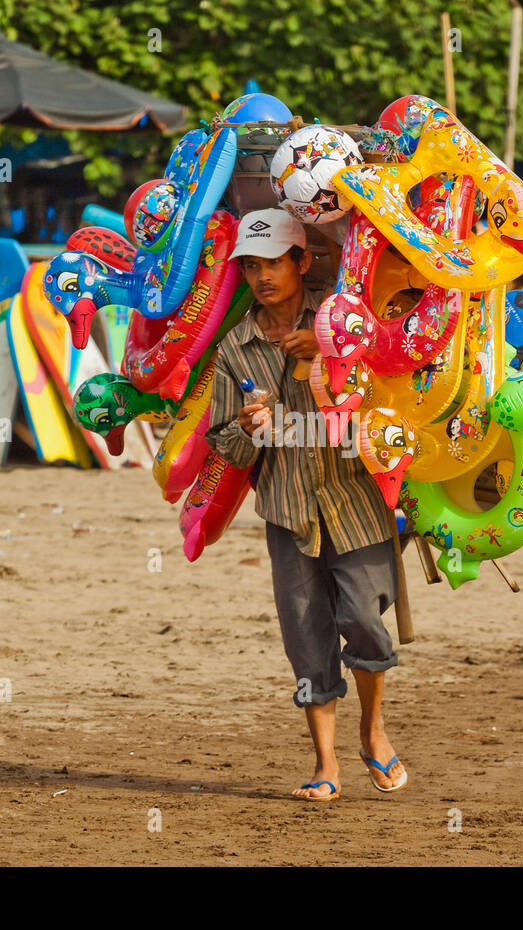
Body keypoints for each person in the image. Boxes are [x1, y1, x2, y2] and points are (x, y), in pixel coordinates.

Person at [205, 209, 407, 802]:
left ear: (303, 262)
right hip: (289, 514)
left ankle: (372, 732)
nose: (263, 276)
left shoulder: (346, 320)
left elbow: (389, 388)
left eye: (274, 262)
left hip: (358, 503)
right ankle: (325, 763)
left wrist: (327, 357)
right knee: (306, 640)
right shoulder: (235, 351)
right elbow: (224, 443)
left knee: (366, 625)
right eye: (251, 266)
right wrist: (247, 428)